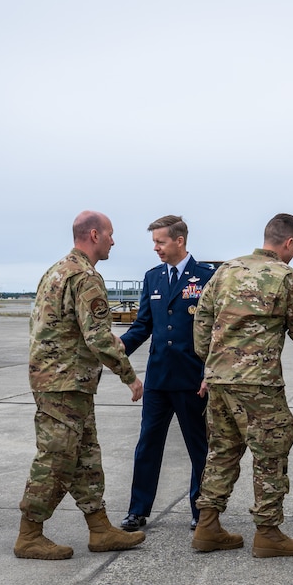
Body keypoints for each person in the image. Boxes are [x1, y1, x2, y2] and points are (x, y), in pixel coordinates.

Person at [191, 213, 293, 558]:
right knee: (271, 450)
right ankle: (268, 533)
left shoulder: (226, 270)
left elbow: (202, 321)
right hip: (258, 383)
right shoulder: (286, 277)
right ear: (289, 242)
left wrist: (213, 359)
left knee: (222, 449)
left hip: (219, 378)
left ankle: (207, 525)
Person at [14, 210, 146, 560]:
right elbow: (98, 337)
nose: (113, 241)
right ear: (94, 235)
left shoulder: (56, 271)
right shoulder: (85, 277)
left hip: (63, 381)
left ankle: (99, 528)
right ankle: (29, 534)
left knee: (86, 455)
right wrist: (129, 376)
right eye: (110, 234)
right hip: (64, 383)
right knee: (56, 458)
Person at [118, 215, 214, 533]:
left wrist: (210, 372)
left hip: (192, 379)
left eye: (160, 242)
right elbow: (143, 325)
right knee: (147, 445)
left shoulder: (206, 277)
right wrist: (118, 348)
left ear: (179, 241)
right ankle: (138, 510)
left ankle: (201, 510)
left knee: (199, 448)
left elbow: (217, 331)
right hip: (158, 379)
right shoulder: (153, 277)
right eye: (154, 242)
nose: (156, 248)